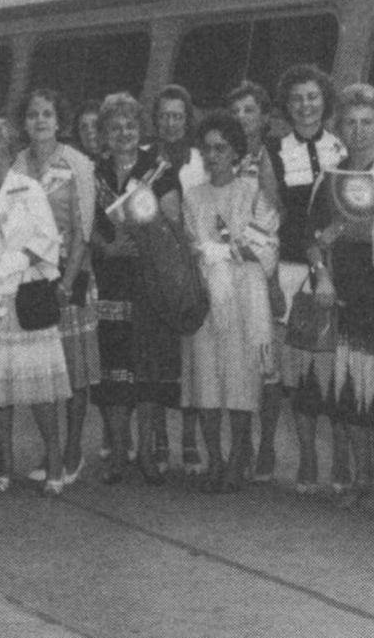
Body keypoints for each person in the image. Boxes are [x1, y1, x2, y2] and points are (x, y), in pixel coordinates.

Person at [307, 84, 374, 511]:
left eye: (368, 122)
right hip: (343, 293)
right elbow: (312, 242)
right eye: (351, 122)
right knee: (349, 390)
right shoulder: (329, 177)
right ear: (339, 128)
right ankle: (359, 474)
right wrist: (322, 277)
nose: (359, 130)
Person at [0, 118, 72, 495]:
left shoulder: (29, 188)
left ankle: (55, 463)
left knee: (40, 389)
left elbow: (44, 239)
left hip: (25, 296)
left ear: (10, 155)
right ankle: (5, 466)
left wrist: (3, 272)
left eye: (0, 152)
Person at [180, 112, 280, 492]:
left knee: (240, 380)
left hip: (245, 299)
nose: (213, 155)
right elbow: (191, 249)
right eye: (206, 148)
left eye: (221, 148)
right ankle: (215, 460)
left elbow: (264, 248)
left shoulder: (253, 193)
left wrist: (214, 249)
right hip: (206, 299)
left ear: (236, 151)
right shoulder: (193, 197)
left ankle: (238, 457)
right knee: (206, 380)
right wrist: (222, 250)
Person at [89, 91, 183, 485]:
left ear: (139, 128)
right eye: (115, 127)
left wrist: (145, 242)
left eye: (130, 125)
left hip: (147, 279)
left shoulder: (159, 169)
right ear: (104, 134)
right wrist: (108, 246)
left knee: (145, 372)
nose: (123, 133)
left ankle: (146, 452)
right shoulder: (95, 173)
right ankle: (118, 452)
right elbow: (84, 226)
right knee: (114, 373)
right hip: (110, 278)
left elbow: (174, 222)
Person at [267, 64, 350, 494]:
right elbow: (271, 214)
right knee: (300, 375)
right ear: (287, 105)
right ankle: (308, 458)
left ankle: (339, 459)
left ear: (325, 102)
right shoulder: (274, 151)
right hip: (294, 270)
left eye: (313, 97)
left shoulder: (343, 147)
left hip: (339, 272)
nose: (305, 105)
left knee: (335, 373)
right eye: (297, 98)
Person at [13, 88, 99, 484]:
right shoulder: (17, 165)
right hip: (31, 278)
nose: (40, 121)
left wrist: (66, 282)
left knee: (73, 370)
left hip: (71, 275)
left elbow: (84, 230)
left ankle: (72, 448)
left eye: (48, 114)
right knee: (39, 368)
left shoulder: (78, 163)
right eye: (33, 114)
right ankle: (50, 446)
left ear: (59, 122)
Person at [152, 84, 205, 471]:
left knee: (190, 356)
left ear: (187, 120)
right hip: (155, 267)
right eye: (164, 116)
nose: (171, 123)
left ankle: (189, 440)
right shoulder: (145, 160)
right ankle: (157, 439)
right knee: (156, 357)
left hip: (190, 264)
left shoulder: (200, 160)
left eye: (177, 116)